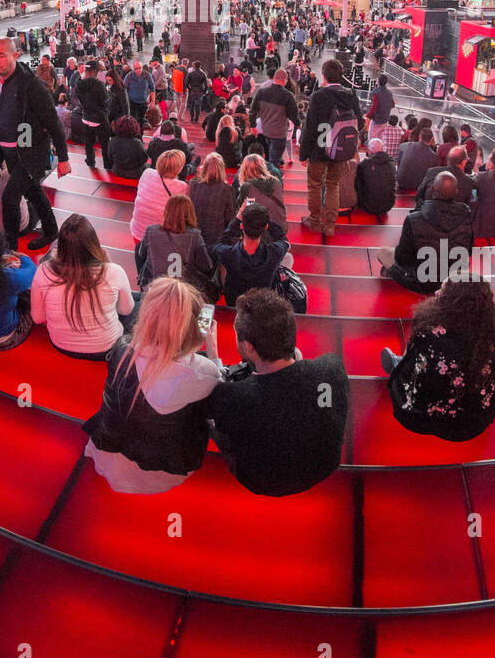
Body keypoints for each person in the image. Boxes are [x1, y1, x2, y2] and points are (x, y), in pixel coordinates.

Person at [82, 276, 223, 493]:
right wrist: (212, 352)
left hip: (115, 455)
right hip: (168, 468)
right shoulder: (205, 371)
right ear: (195, 332)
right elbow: (219, 394)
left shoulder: (122, 350)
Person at [210, 289, 348, 495]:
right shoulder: (333, 368)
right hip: (326, 466)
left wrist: (213, 359)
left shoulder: (233, 397)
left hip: (261, 481)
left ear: (248, 348)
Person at [381, 276, 495, 442]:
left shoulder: (430, 333)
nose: (436, 292)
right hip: (475, 421)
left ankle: (398, 364)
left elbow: (421, 375)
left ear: (452, 304)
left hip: (426, 417)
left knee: (412, 362)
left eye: (442, 291)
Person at [0, 38, 71, 254]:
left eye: (1, 55)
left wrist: (64, 158)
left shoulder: (32, 85)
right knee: (32, 190)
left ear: (16, 55)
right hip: (8, 150)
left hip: (31, 152)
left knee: (9, 199)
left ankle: (9, 253)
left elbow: (53, 123)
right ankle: (51, 230)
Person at [32, 214, 136, 358]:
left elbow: (37, 318)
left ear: (60, 248)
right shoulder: (114, 271)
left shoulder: (43, 270)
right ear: (94, 244)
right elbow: (126, 310)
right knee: (139, 299)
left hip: (61, 345)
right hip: (107, 348)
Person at [377, 171, 475, 295]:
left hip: (421, 283)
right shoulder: (467, 217)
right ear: (456, 192)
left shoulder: (414, 219)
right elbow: (469, 251)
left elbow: (402, 258)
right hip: (453, 282)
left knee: (383, 252)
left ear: (432, 189)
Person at [299, 58, 364, 239]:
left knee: (314, 186)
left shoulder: (318, 96)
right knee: (333, 186)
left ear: (324, 75)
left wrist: (304, 154)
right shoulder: (351, 94)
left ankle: (314, 221)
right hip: (341, 150)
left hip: (319, 149)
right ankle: (329, 225)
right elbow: (359, 123)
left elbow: (310, 127)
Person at [211, 201, 292, 307]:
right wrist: (263, 219)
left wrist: (236, 219)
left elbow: (219, 243)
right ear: (266, 227)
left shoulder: (228, 253)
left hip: (234, 302)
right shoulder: (274, 252)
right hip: (262, 303)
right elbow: (284, 240)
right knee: (288, 258)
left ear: (241, 226)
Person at [137, 197, 218, 301]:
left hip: (155, 287)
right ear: (190, 214)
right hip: (183, 291)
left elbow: (141, 254)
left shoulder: (151, 231)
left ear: (167, 211)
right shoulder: (194, 235)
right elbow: (206, 265)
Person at [130, 151, 191, 247]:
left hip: (138, 230)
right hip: (160, 237)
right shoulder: (182, 187)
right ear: (178, 169)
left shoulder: (147, 173)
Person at [250, 69, 299, 172]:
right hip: (279, 133)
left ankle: (267, 177)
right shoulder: (288, 96)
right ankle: (272, 182)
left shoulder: (262, 91)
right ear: (285, 80)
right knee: (274, 161)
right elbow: (293, 115)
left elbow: (253, 110)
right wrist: (299, 125)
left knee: (269, 156)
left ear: (274, 78)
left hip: (265, 130)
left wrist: (253, 125)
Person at [189, 153, 237, 250]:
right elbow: (230, 218)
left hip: (195, 235)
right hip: (216, 239)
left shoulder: (194, 185)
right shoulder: (227, 189)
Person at [235, 152, 287, 231]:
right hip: (280, 227)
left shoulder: (247, 187)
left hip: (260, 232)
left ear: (244, 169)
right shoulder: (276, 182)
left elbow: (244, 209)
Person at [76, 59, 111, 170]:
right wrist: (110, 96)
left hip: (86, 117)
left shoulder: (79, 83)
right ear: (95, 71)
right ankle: (107, 165)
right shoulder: (99, 85)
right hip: (99, 118)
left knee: (88, 143)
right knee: (105, 144)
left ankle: (90, 162)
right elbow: (106, 102)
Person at [354, 138, 397, 218]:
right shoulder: (392, 163)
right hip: (388, 205)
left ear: (370, 151)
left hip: (368, 206)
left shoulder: (364, 165)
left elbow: (357, 186)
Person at [395, 127, 439, 194]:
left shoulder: (408, 145)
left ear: (419, 136)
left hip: (401, 183)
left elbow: (401, 147)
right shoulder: (434, 156)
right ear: (432, 139)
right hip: (417, 187)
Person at [124, 60, 155, 129]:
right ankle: (135, 136)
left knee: (141, 121)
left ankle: (139, 135)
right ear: (133, 68)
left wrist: (153, 101)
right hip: (133, 103)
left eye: (139, 68)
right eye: (136, 68)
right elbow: (124, 89)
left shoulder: (147, 75)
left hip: (143, 103)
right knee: (134, 121)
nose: (138, 70)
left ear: (142, 67)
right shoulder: (129, 76)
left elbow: (152, 88)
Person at [366, 73, 395, 141]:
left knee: (371, 141)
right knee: (380, 141)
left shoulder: (376, 92)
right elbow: (392, 104)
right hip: (385, 120)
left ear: (378, 81)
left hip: (376, 120)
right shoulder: (389, 93)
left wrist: (368, 116)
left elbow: (374, 106)